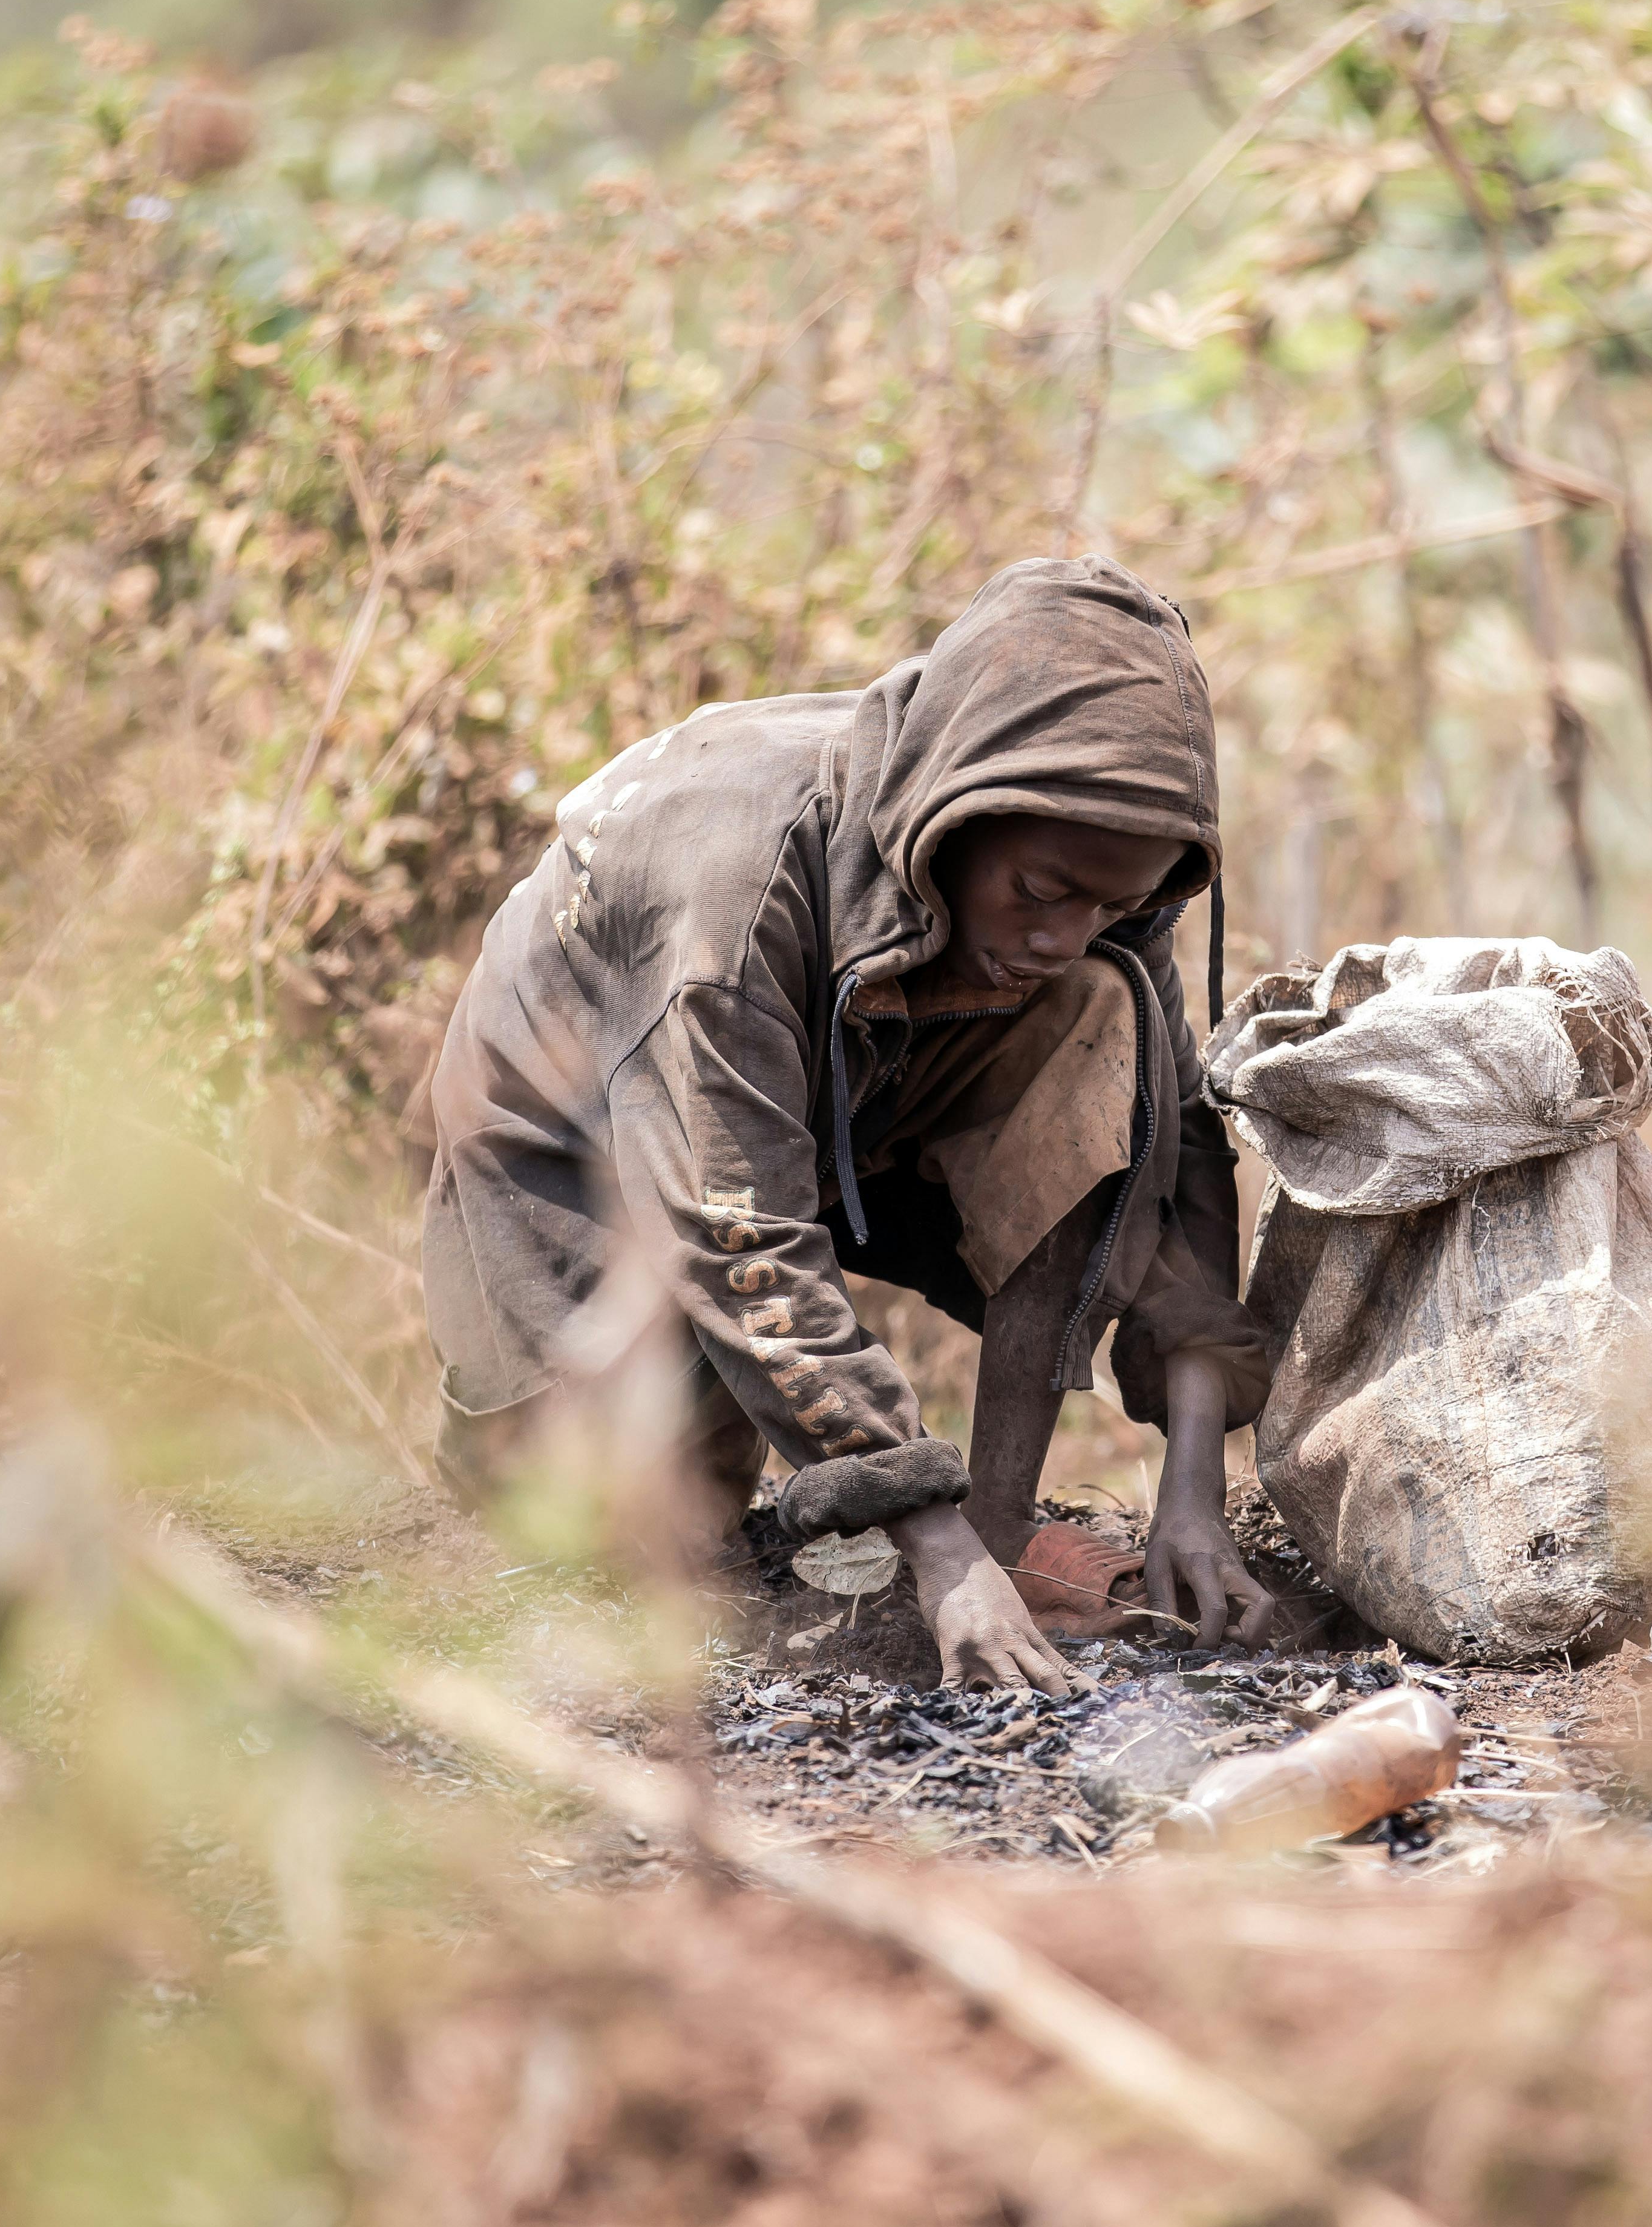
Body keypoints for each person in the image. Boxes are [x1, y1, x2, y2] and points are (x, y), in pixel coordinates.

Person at [416, 557, 1279, 1688]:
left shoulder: (1097, 863)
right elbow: (740, 1233)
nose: (1068, 934)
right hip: (575, 1140)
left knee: (1107, 1029)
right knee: (624, 1556)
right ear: (956, 817)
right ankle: (930, 1541)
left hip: (864, 1085)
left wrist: (1194, 1492)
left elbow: (1176, 1155)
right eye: (1044, 894)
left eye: (1112, 906)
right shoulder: (731, 888)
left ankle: (1006, 1526)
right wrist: (927, 1536)